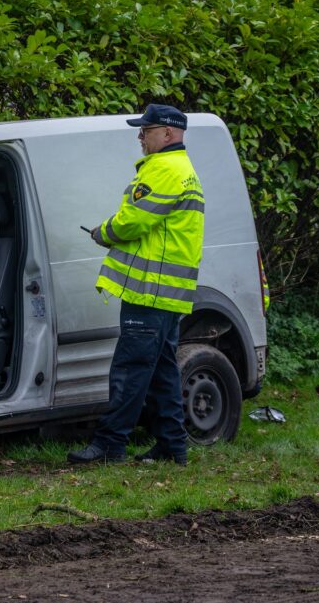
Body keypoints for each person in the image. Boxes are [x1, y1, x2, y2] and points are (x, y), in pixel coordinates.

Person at [67, 104, 205, 466]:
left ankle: (111, 444)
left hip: (151, 291)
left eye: (147, 130)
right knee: (162, 370)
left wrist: (102, 233)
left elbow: (132, 222)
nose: (140, 137)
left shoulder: (163, 169)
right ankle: (172, 446)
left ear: (169, 134)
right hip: (165, 293)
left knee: (130, 369)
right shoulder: (182, 169)